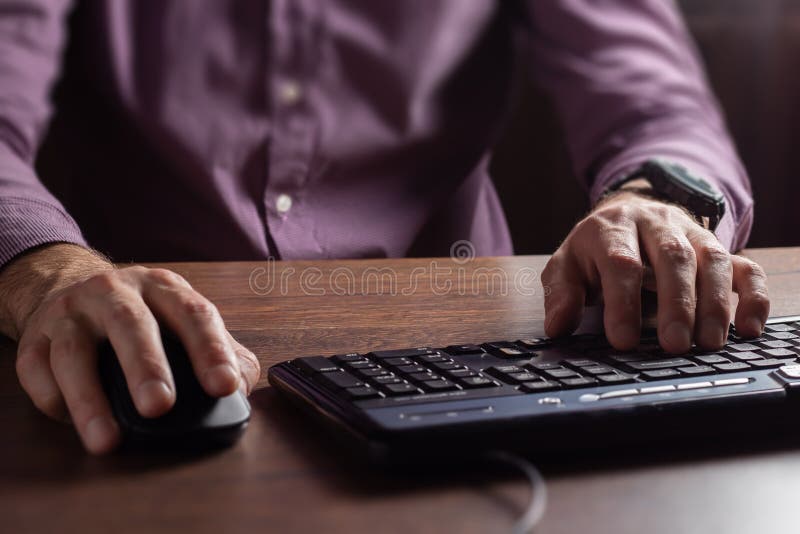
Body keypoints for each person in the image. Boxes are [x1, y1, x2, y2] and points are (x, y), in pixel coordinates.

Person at [0, 0, 769, 454]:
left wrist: (656, 202)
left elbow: (653, 102)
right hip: (128, 355)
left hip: (474, 367)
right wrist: (51, 273)